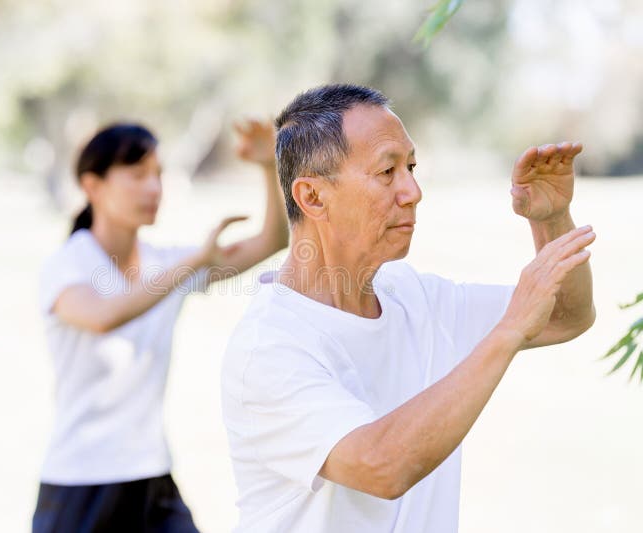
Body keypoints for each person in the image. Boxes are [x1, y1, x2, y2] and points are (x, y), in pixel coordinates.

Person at [221, 84, 595, 533]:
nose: (413, 191)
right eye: (387, 171)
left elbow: (564, 315)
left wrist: (550, 221)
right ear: (313, 197)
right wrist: (507, 332)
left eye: (411, 167)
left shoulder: (413, 295)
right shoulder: (269, 348)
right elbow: (380, 466)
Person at [33, 119, 288, 532]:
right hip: (80, 485)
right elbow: (102, 316)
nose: (154, 188)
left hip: (152, 480)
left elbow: (272, 241)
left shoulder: (165, 263)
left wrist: (268, 166)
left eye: (158, 175)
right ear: (92, 186)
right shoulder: (69, 264)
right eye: (138, 175)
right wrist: (193, 263)